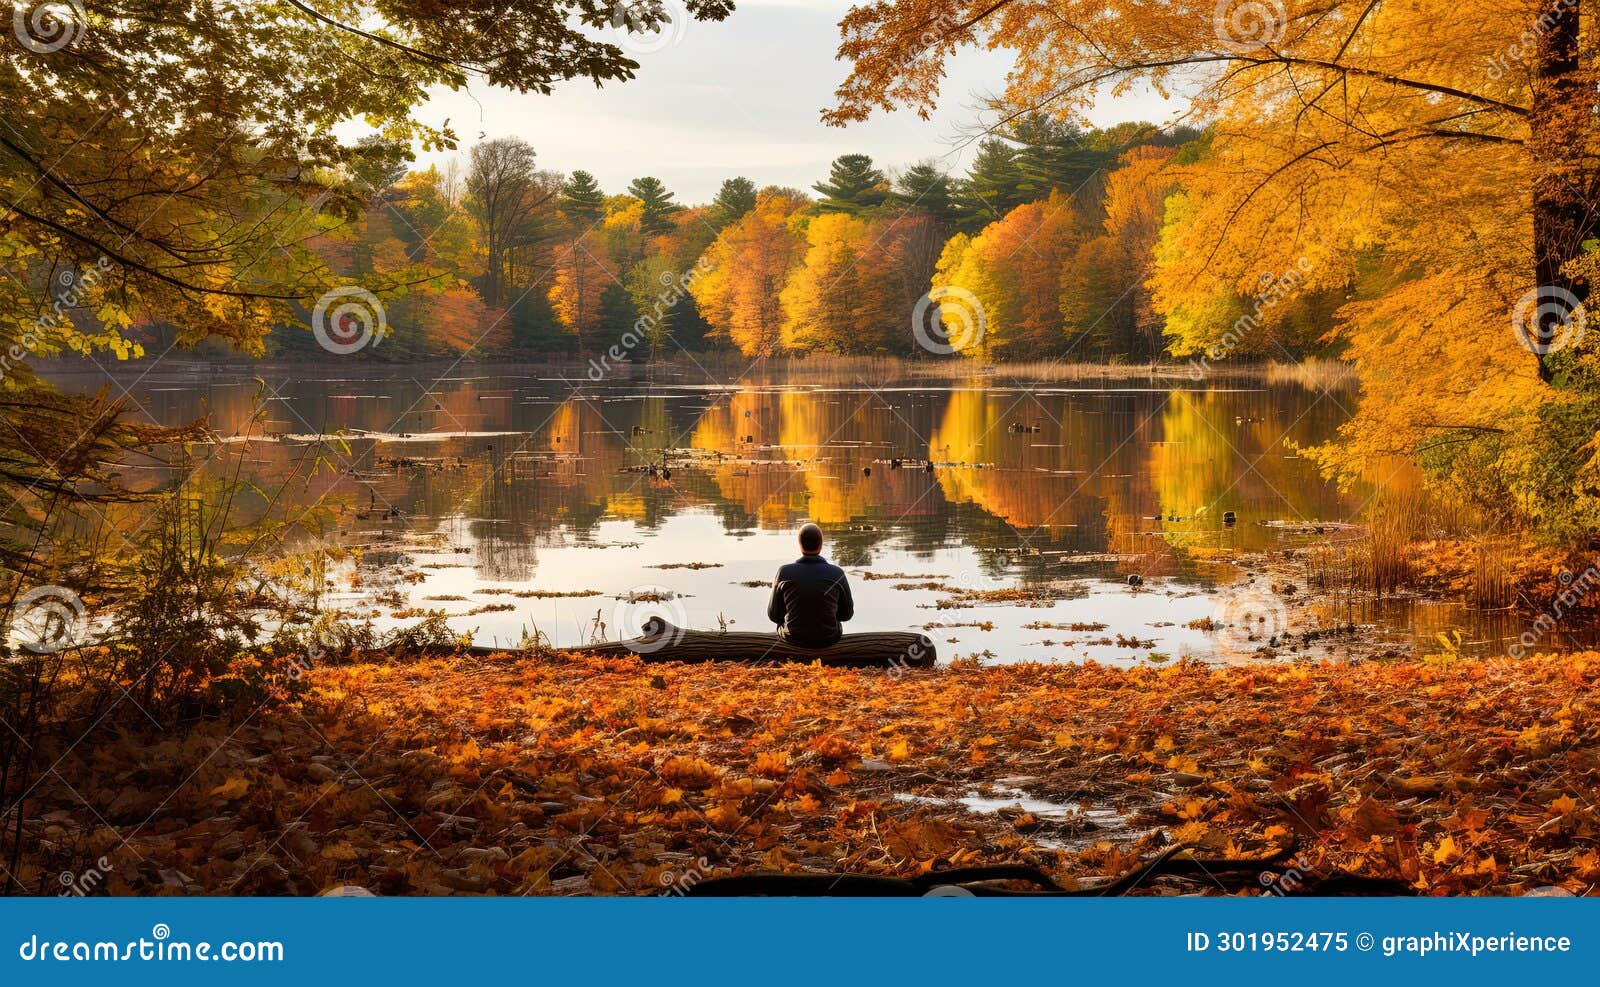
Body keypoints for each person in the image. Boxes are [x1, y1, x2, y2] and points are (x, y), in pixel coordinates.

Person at [766, 522, 854, 647]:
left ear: (799, 544)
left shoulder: (784, 572)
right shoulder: (837, 573)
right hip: (829, 639)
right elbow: (846, 615)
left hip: (793, 639)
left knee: (781, 626)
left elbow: (774, 615)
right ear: (821, 543)